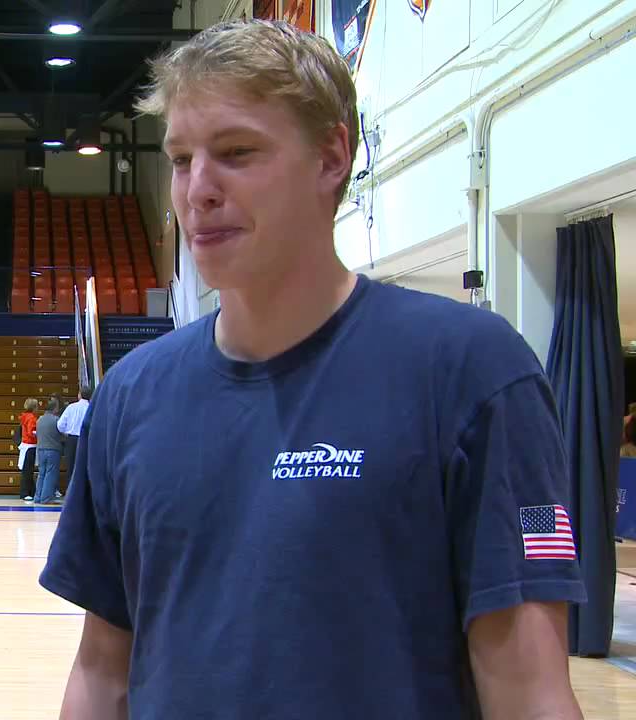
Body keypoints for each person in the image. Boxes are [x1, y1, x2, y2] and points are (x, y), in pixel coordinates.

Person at [40, 19, 585, 720]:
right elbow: (101, 672)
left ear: (331, 157)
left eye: (235, 152)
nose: (197, 190)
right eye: (180, 159)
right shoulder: (132, 395)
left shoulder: (472, 370)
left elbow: (529, 693)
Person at [55, 385, 91, 489]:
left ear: (79, 395)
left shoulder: (71, 407)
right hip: (85, 439)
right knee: (84, 467)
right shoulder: (91, 407)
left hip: (71, 439)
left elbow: (60, 424)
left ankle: (71, 494)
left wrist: (66, 432)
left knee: (71, 467)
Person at [34, 397, 64, 505]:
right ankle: (46, 498)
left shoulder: (39, 420)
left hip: (41, 449)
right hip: (53, 449)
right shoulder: (56, 420)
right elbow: (63, 433)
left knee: (41, 473)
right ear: (55, 409)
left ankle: (38, 497)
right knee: (50, 473)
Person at [16, 398, 39, 502]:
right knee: (28, 470)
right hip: (30, 445)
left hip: (26, 445)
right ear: (34, 407)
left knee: (27, 470)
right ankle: (25, 493)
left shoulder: (24, 417)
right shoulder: (31, 418)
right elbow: (31, 432)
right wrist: (39, 434)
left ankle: (30, 491)